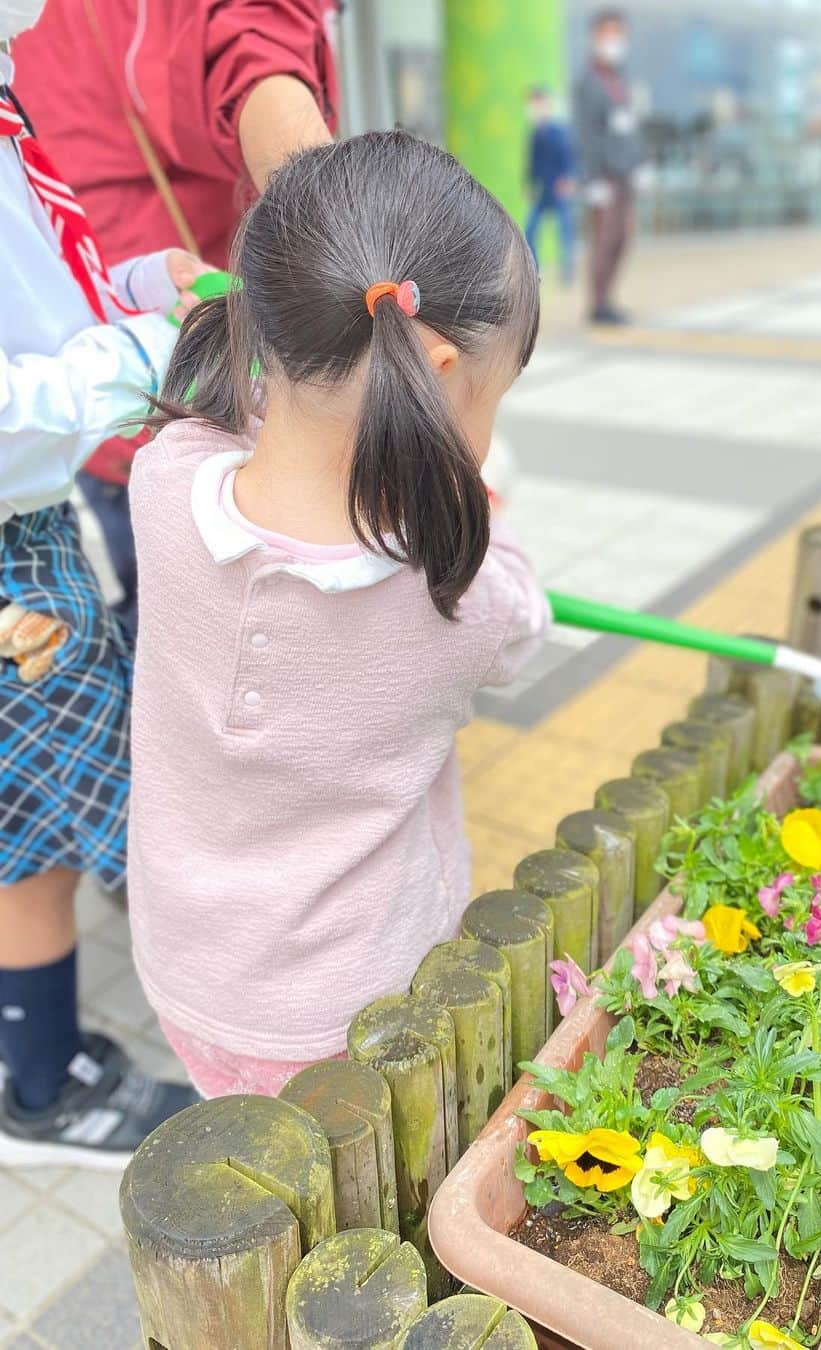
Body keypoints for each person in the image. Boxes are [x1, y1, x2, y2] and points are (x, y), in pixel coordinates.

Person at [126, 131, 550, 1098]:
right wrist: (484, 500)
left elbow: (227, 417)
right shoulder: (454, 592)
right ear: (438, 369)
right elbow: (525, 619)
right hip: (361, 1012)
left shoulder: (164, 479)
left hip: (187, 978)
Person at [0, 3, 200, 1167]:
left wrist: (126, 287)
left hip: (33, 520)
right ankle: (40, 1080)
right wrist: (138, 355)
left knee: (39, 803)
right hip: (12, 538)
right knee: (37, 817)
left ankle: (38, 1050)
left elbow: (30, 301)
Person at [14, 0, 339, 637]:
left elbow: (254, 53)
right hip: (165, 416)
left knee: (163, 639)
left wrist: (136, 292)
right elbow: (254, 51)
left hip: (112, 414)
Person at [574, 7, 643, 324]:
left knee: (622, 239)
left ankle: (609, 298)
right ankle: (598, 304)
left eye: (619, 35)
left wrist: (639, 164)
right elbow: (585, 134)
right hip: (604, 176)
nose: (614, 41)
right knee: (604, 240)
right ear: (596, 37)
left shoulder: (620, 78)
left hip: (624, 173)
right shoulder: (589, 82)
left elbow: (630, 128)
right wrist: (592, 181)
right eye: (608, 34)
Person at [524, 86, 576, 284]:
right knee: (530, 230)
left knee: (565, 232)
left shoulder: (558, 131)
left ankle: (568, 272)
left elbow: (569, 156)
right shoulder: (535, 133)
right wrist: (529, 184)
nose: (534, 108)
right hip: (542, 191)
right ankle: (535, 270)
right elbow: (532, 162)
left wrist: (569, 178)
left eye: (538, 103)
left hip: (558, 188)